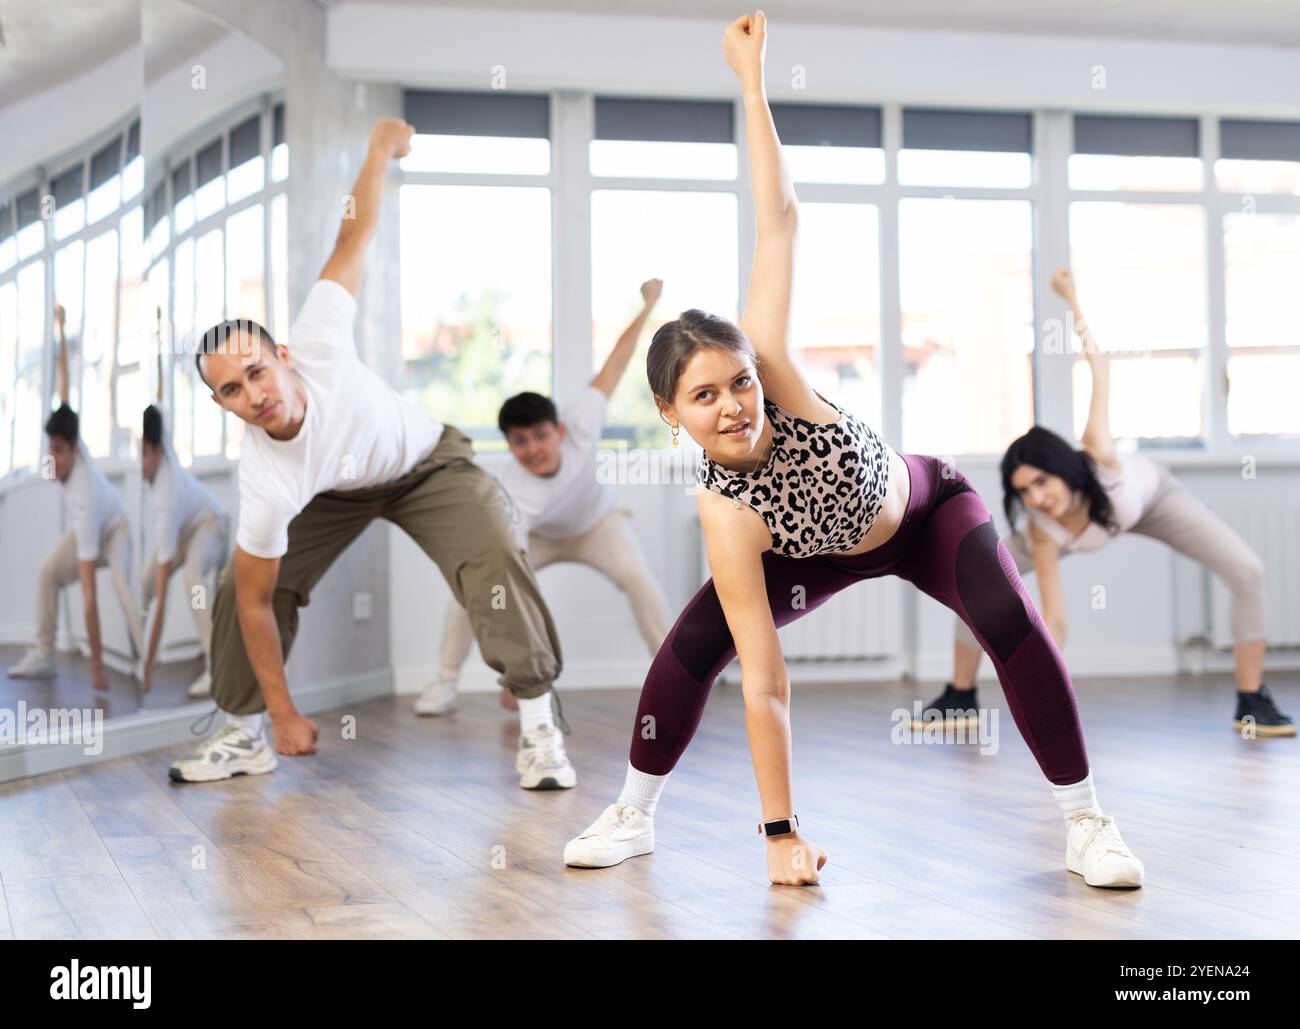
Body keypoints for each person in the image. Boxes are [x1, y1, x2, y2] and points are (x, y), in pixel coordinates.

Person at [563, 11, 1145, 889]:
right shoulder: (725, 510)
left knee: (1007, 616)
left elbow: (779, 219)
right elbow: (766, 680)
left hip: (925, 514)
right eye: (704, 396)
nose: (734, 405)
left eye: (739, 382)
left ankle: (1088, 822)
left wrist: (751, 85)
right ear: (668, 411)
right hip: (814, 557)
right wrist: (779, 834)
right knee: (693, 643)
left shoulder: (776, 371)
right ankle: (633, 814)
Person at [168, 117, 573, 790]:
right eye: (232, 390)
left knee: (494, 549)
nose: (255, 395)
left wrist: (380, 149)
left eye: (258, 371)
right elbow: (256, 604)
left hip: (424, 466)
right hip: (328, 493)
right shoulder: (267, 478)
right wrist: (285, 712)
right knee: (238, 585)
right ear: (221, 403)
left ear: (284, 356)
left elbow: (353, 236)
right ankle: (244, 732)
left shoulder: (320, 336)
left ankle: (538, 724)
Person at [916, 268, 1292, 738]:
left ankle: (1252, 702)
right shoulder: (1043, 525)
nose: (1037, 498)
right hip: (1086, 527)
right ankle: (960, 698)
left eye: (1042, 482)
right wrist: (1049, 701)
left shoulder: (1099, 456)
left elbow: (1100, 366)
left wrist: (1072, 298)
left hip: (1153, 501)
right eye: (1024, 491)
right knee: (974, 576)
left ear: (1063, 467)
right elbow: (1054, 618)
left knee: (1248, 571)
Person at [417, 279, 673, 716]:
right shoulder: (510, 493)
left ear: (559, 430)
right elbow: (510, 588)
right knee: (473, 588)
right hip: (539, 536)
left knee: (637, 576)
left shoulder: (583, 419)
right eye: (520, 442)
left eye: (541, 435)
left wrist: (649, 305)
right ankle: (444, 681)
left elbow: (617, 360)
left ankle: (673, 680)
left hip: (597, 524)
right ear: (509, 446)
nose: (533, 449)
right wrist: (517, 672)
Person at [8, 305, 142, 688]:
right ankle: (44, 653)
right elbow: (64, 388)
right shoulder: (69, 442)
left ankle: (144, 658)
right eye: (51, 449)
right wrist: (61, 329)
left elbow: (88, 596)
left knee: (121, 587)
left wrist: (96, 666)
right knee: (48, 573)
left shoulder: (83, 500)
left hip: (114, 529)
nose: (53, 458)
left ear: (74, 450)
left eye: (59, 452)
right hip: (94, 524)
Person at [139, 332, 229, 698]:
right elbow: (159, 400)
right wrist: (160, 336)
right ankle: (141, 647)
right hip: (185, 529)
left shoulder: (166, 496)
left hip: (210, 523)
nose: (140, 462)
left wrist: (147, 672)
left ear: (156, 451)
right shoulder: (159, 440)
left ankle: (216, 667)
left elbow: (162, 599)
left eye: (143, 454)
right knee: (144, 582)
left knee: (192, 582)